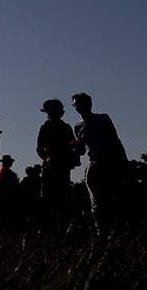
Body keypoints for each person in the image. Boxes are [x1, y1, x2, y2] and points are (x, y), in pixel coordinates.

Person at [71, 92, 128, 233]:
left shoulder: (103, 119)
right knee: (96, 200)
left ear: (89, 104)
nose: (77, 107)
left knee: (114, 197)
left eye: (79, 103)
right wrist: (76, 147)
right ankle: (101, 230)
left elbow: (115, 140)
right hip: (94, 164)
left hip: (110, 162)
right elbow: (82, 151)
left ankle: (118, 229)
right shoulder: (78, 126)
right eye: (75, 104)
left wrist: (123, 161)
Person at [36, 98, 79, 231]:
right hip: (54, 167)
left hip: (61, 166)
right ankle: (49, 230)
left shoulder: (63, 128)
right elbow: (39, 148)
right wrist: (47, 159)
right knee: (50, 200)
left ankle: (60, 230)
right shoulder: (47, 128)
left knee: (60, 200)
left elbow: (73, 144)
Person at [0, 154, 21, 228]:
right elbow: (8, 184)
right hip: (6, 194)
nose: (12, 163)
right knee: (6, 213)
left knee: (1, 212)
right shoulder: (6, 171)